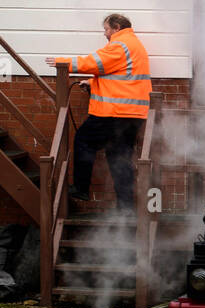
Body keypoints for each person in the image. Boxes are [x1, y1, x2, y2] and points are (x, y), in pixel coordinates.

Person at [45, 14, 151, 210]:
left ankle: (81, 188)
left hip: (114, 112)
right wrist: (92, 83)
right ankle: (126, 208)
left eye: (106, 29)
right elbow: (118, 74)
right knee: (119, 158)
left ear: (116, 27)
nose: (105, 34)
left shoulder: (120, 45)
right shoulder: (134, 45)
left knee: (84, 141)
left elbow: (94, 63)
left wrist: (62, 62)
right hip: (132, 113)